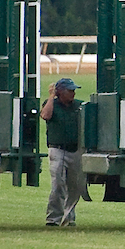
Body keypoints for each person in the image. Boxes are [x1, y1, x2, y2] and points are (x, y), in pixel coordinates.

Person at [42, 78, 84, 227]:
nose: (73, 93)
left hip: (75, 150)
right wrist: (51, 97)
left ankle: (69, 218)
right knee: (58, 184)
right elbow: (45, 115)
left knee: (75, 187)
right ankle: (53, 218)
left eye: (74, 90)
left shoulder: (79, 106)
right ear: (60, 92)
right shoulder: (52, 105)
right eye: (69, 90)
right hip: (57, 150)